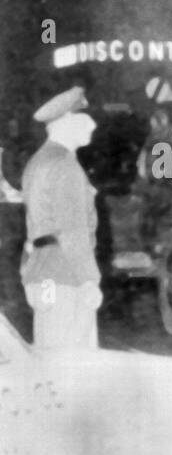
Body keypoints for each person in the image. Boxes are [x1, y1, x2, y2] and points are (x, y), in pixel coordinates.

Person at [21, 86, 102, 349]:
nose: (93, 123)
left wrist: (27, 272)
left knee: (48, 351)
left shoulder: (37, 162)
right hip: (68, 276)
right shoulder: (65, 165)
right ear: (66, 120)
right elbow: (73, 230)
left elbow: (34, 226)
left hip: (44, 273)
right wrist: (90, 280)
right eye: (85, 116)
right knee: (75, 366)